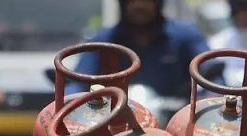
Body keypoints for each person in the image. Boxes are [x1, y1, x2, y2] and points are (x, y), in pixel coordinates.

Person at [69, 0, 210, 100]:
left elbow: (211, 74)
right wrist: (71, 99)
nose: (139, 5)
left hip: (173, 124)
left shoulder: (186, 36)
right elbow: (77, 83)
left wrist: (204, 99)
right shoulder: (104, 41)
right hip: (115, 122)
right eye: (132, 0)